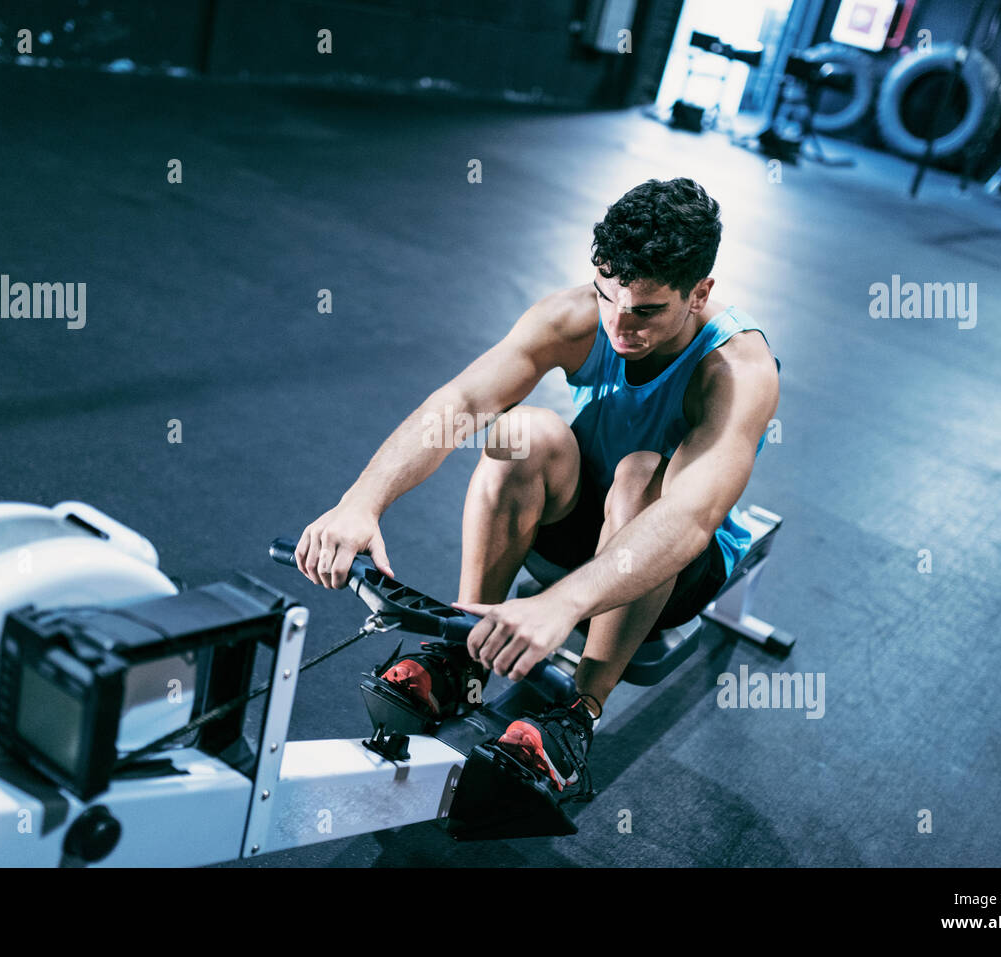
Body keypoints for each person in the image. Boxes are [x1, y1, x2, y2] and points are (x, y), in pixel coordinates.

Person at [294, 178, 780, 800]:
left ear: (700, 293)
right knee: (523, 431)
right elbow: (461, 404)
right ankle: (466, 648)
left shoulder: (738, 371)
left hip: (672, 565)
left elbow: (688, 519)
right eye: (607, 297)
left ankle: (579, 713)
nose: (618, 324)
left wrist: (562, 605)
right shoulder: (575, 318)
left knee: (637, 478)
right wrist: (362, 500)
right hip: (581, 526)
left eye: (647, 311)